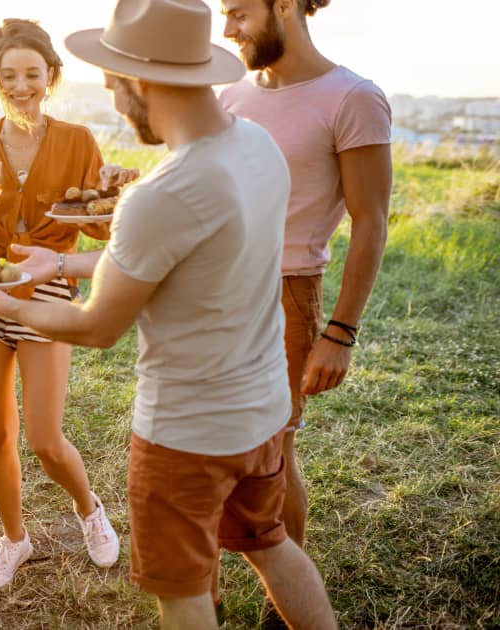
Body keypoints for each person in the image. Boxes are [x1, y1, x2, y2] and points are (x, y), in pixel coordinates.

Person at [0, 1, 337, 627]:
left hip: (186, 436)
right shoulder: (258, 147)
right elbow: (178, 258)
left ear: (140, 80)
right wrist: (54, 267)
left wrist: (2, 301)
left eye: (112, 84)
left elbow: (96, 326)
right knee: (272, 544)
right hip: (262, 412)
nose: (113, 102)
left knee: (184, 593)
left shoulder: (163, 192)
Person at [0, 18, 138, 592]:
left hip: (48, 288)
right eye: (8, 75)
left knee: (44, 439)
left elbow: (103, 230)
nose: (20, 84)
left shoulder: (77, 140)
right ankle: (14, 539)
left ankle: (88, 508)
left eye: (32, 73)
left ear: (50, 76)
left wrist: (115, 195)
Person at [217, 0, 392, 614]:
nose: (227, 28)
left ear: (284, 6)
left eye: (238, 12)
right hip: (217, 290)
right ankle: (199, 586)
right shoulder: (230, 94)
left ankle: (282, 597)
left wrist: (340, 331)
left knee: (273, 449)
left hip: (287, 292)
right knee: (208, 440)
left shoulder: (352, 98)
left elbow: (371, 223)